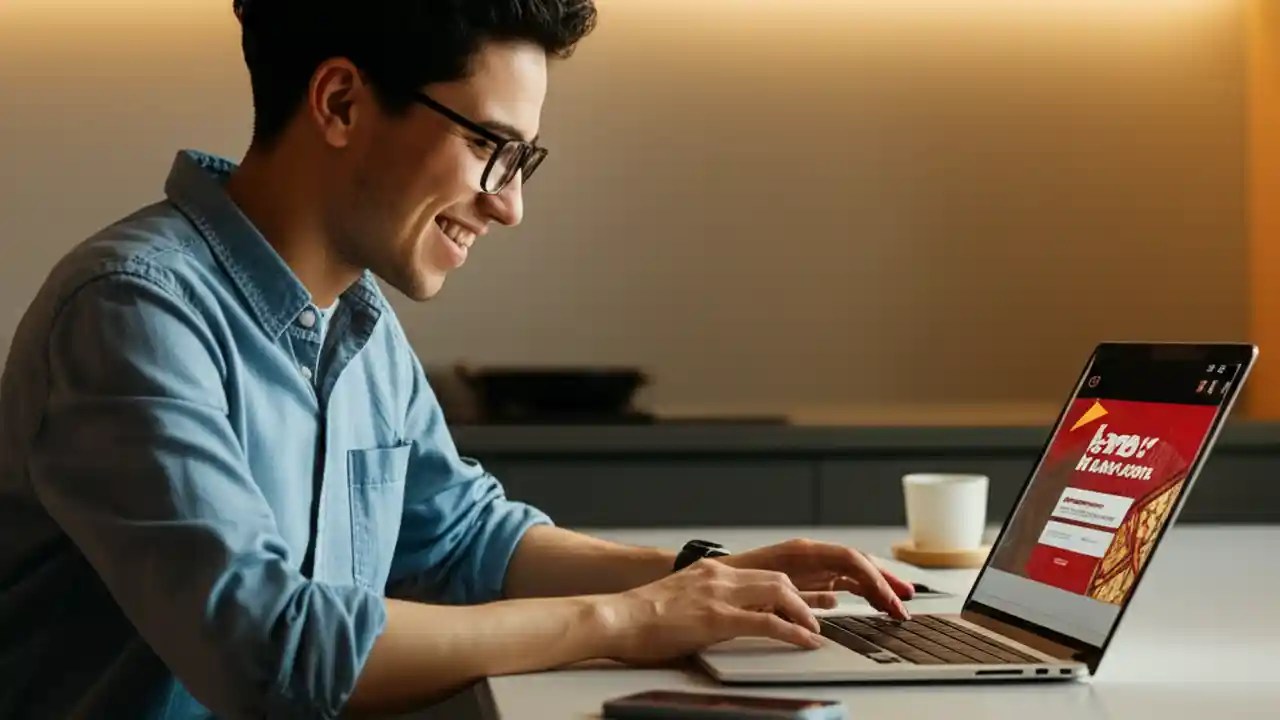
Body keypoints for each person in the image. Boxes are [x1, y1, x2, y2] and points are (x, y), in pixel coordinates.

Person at [0, 2, 914, 718]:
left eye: (522, 158)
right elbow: (274, 651)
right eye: (488, 146)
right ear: (342, 102)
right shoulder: (132, 312)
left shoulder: (355, 319)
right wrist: (629, 620)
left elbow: (466, 541)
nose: (508, 204)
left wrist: (700, 575)